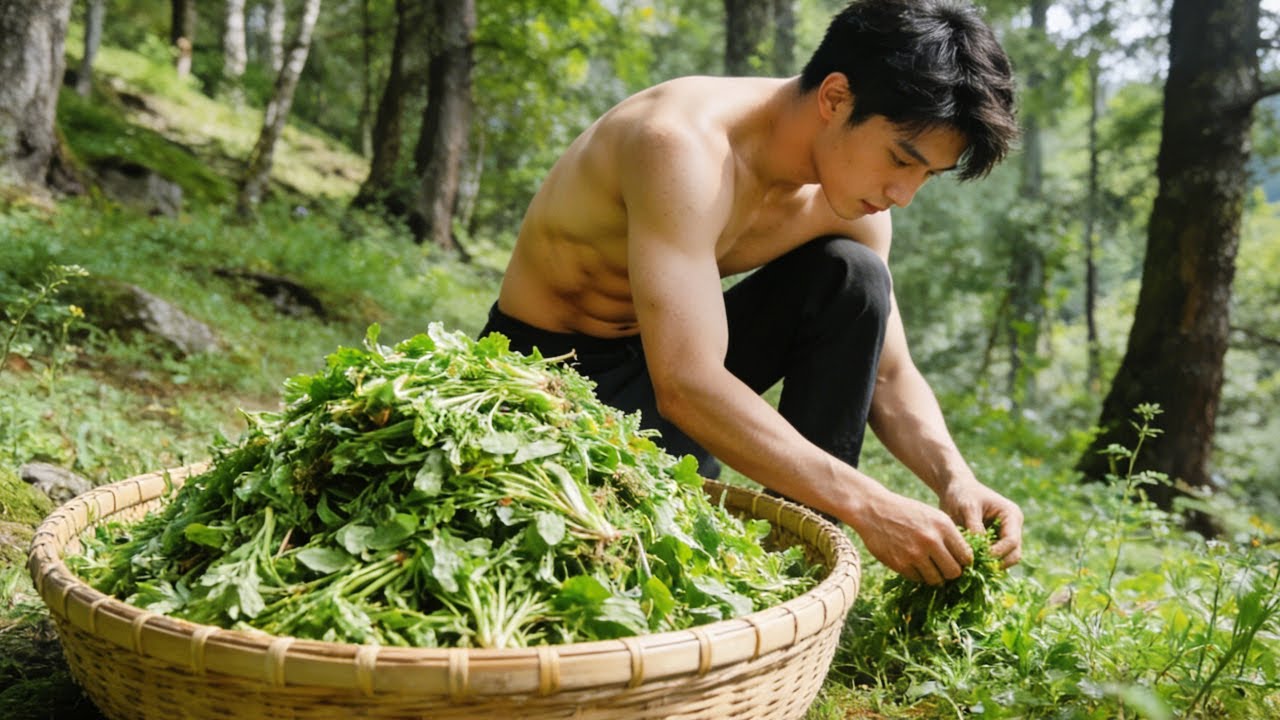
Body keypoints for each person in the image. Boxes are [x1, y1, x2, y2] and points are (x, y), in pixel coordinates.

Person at [480, 0, 1024, 585]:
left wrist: (955, 478)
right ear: (835, 98)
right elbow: (686, 385)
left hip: (664, 365)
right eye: (900, 159)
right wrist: (868, 503)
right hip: (544, 382)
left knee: (856, 276)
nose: (903, 193)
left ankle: (804, 569)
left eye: (927, 175)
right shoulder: (681, 145)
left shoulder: (854, 205)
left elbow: (890, 376)